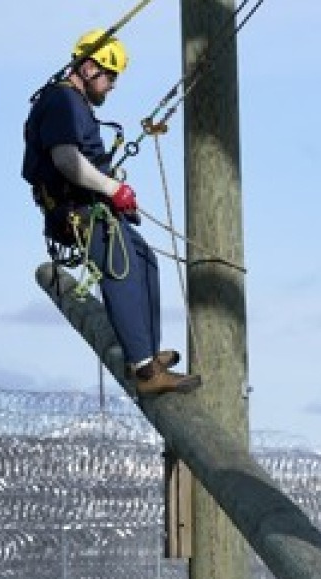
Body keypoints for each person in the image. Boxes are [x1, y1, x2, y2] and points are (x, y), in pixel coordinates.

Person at [23, 29, 201, 396]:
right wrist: (112, 188)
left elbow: (78, 161)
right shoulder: (63, 101)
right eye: (110, 75)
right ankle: (145, 372)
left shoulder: (71, 103)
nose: (113, 85)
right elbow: (67, 160)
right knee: (122, 272)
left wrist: (110, 179)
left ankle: (146, 353)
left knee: (144, 259)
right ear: (89, 68)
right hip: (79, 210)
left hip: (90, 204)